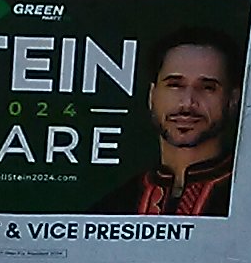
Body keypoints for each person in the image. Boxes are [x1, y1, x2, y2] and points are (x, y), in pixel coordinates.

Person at [92, 26, 242, 216]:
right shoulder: (114, 207)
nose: (188, 102)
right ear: (152, 95)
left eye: (207, 88)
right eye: (175, 85)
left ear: (232, 99)